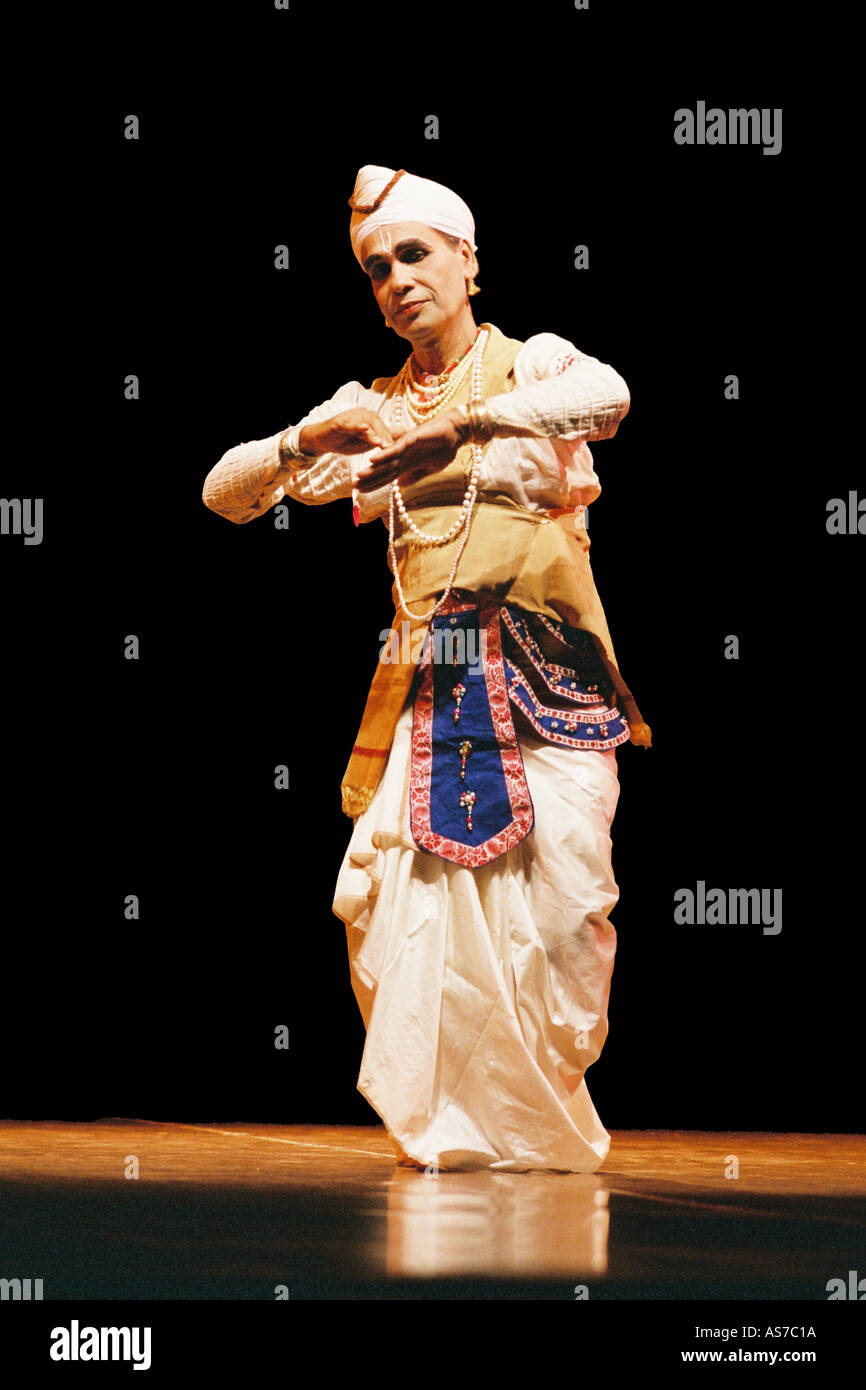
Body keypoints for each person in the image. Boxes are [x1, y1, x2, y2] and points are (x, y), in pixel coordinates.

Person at [202, 165, 651, 1173]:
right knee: (399, 909)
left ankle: (534, 1123)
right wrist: (296, 440)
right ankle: (445, 1129)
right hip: (427, 694)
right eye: (375, 268)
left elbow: (612, 396)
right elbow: (221, 496)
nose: (397, 278)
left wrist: (469, 424)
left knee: (565, 913)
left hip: (547, 680)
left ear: (467, 261)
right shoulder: (367, 407)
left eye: (414, 254)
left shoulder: (531, 364)